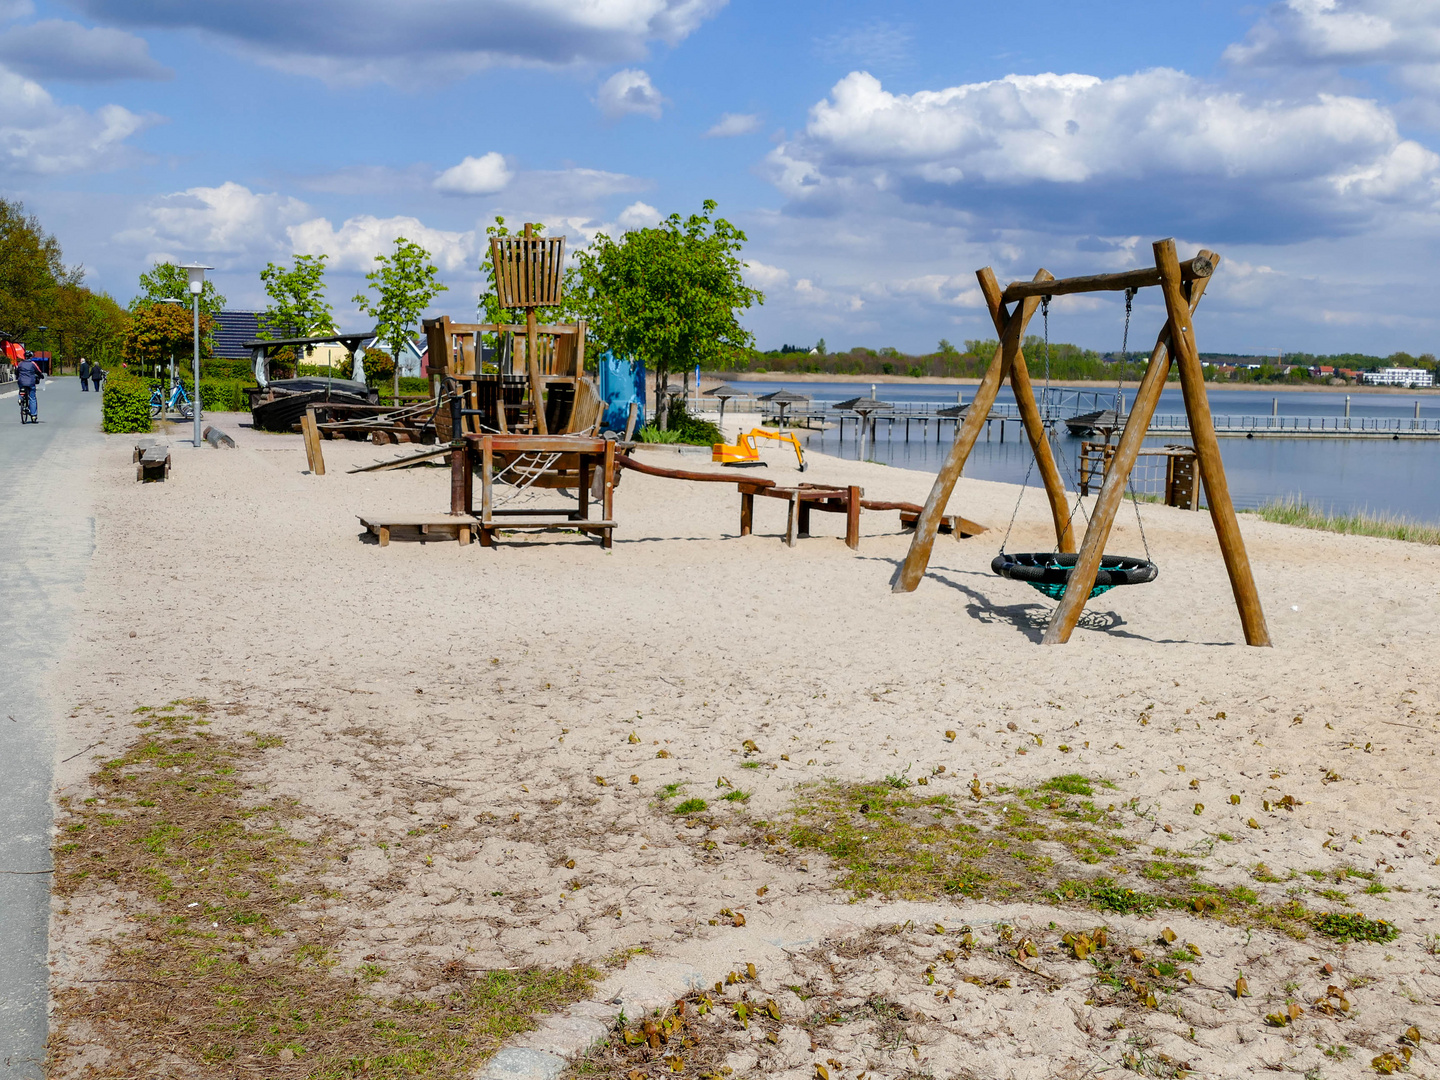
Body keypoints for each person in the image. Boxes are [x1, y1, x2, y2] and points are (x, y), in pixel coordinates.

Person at [16, 351, 44, 422]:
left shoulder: (20, 364)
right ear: (31, 356)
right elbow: (38, 371)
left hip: (21, 382)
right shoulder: (33, 364)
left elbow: (16, 372)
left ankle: (20, 398)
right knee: (32, 398)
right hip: (31, 382)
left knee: (21, 389)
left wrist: (18, 377)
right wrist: (41, 376)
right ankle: (34, 415)